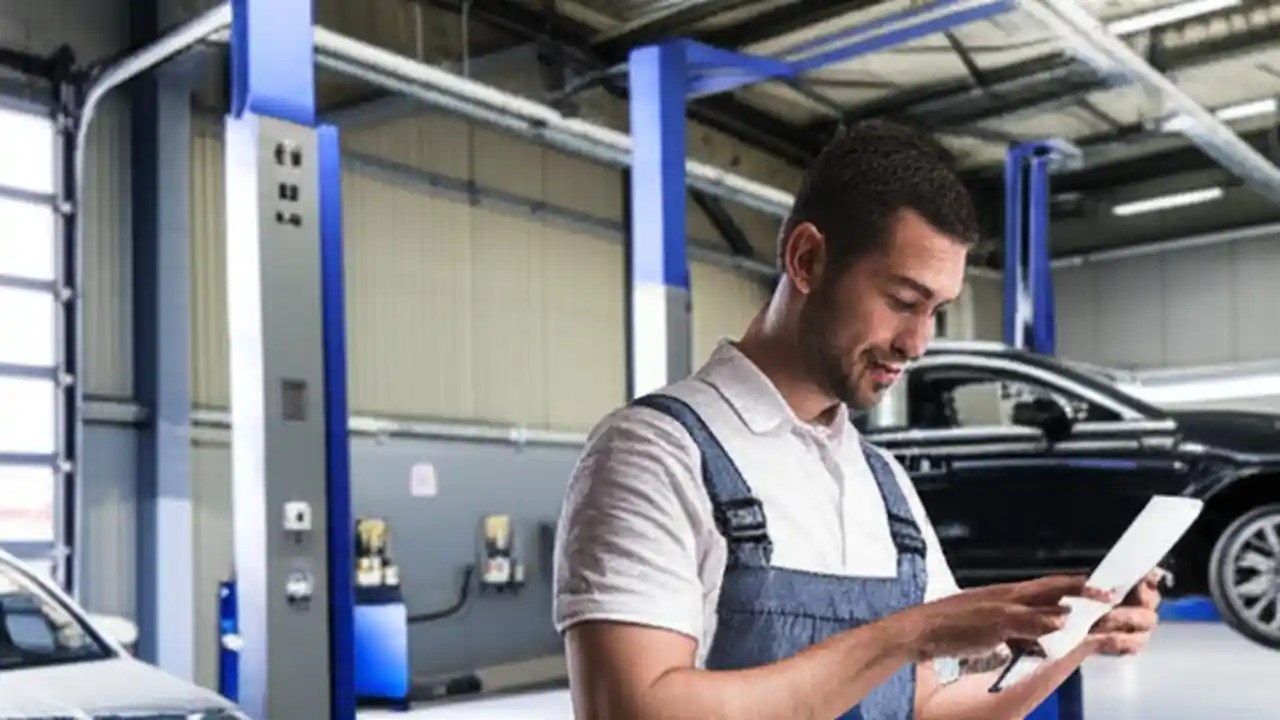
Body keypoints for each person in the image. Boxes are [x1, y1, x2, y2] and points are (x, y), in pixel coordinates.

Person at [551, 120, 1161, 720]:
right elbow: (632, 710)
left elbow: (927, 708)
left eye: (937, 312)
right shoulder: (653, 454)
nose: (917, 343)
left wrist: (1076, 638)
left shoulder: (883, 483)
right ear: (808, 258)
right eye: (901, 302)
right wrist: (910, 633)